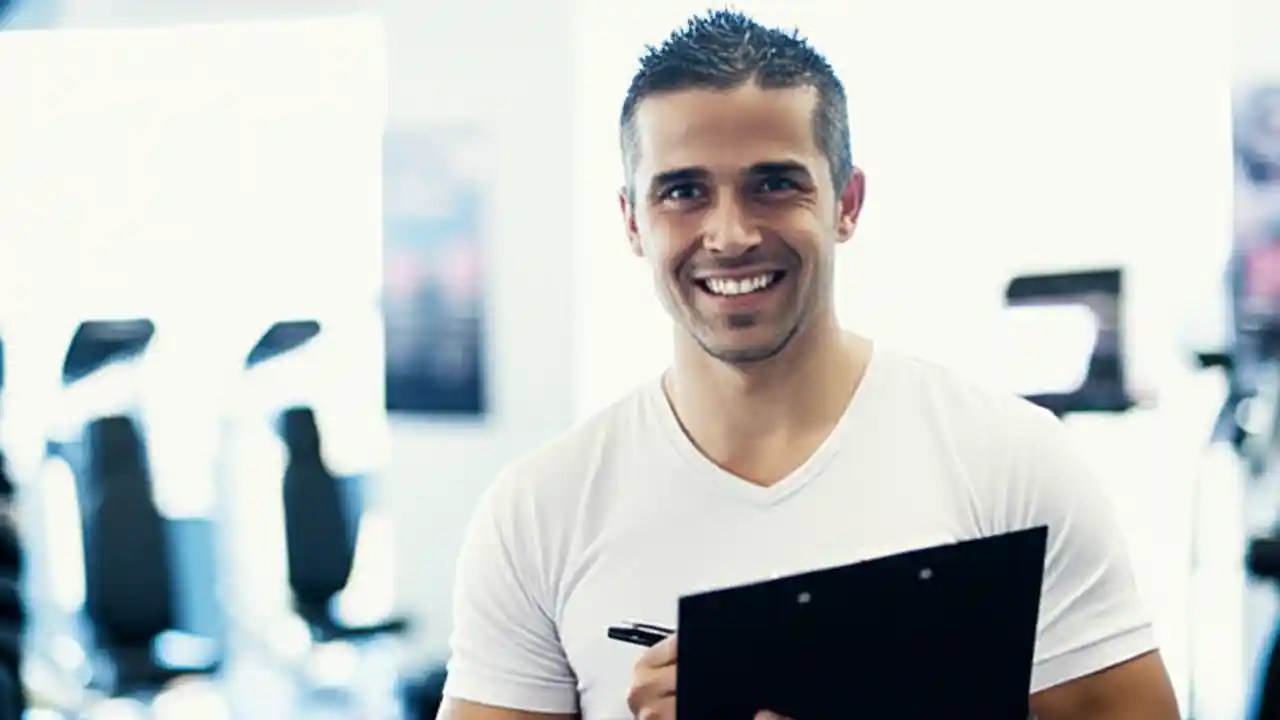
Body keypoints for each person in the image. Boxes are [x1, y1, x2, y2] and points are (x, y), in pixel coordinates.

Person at [437, 9, 1180, 719]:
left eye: (774, 183)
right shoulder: (540, 510)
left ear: (846, 203)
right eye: (684, 191)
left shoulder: (1007, 459)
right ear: (633, 221)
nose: (729, 234)